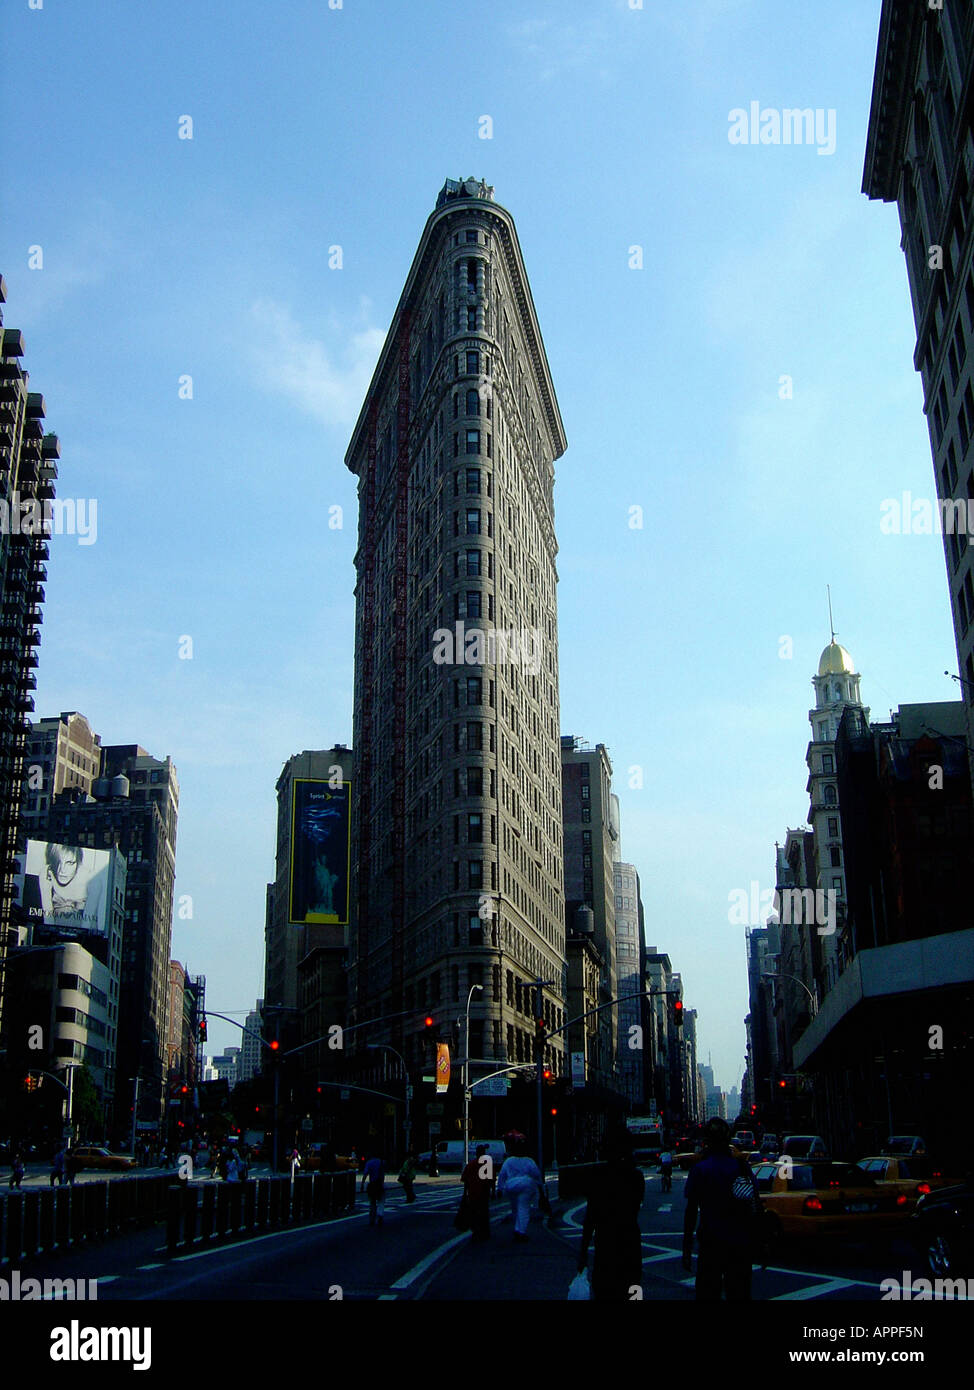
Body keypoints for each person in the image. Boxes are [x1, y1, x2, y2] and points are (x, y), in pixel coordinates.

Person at [682, 1116, 762, 1301]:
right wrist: (760, 1242)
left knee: (708, 1294)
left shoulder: (700, 1170)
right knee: (740, 1294)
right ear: (728, 1140)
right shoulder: (742, 1168)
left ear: (707, 1141)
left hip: (711, 1246)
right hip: (740, 1245)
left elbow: (691, 1211)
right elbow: (755, 1204)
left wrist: (687, 1248)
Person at [577, 1127, 645, 1300]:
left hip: (605, 1247)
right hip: (630, 1246)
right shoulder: (636, 1177)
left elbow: (590, 1218)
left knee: (604, 1292)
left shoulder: (598, 1176)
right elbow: (635, 1207)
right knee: (633, 1292)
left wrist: (583, 1252)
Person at [496, 1138, 543, 1241]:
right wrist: (541, 1188)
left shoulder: (509, 1161)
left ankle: (517, 1227)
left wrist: (499, 1188)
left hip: (511, 1186)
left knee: (515, 1208)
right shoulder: (529, 1161)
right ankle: (520, 1231)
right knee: (524, 1207)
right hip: (526, 1185)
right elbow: (537, 1175)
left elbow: (502, 1175)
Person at [461, 1144, 494, 1242]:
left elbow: (465, 1180)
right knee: (484, 1213)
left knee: (474, 1213)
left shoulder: (471, 1164)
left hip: (473, 1193)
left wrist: (464, 1193)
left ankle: (476, 1232)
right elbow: (491, 1180)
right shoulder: (486, 1164)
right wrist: (493, 1191)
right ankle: (484, 1232)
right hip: (483, 1193)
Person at [361, 1151, 386, 1226]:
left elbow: (365, 1174)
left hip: (372, 1185)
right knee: (381, 1201)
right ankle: (380, 1214)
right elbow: (383, 1174)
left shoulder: (369, 1163)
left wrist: (362, 1184)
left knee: (372, 1202)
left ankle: (372, 1218)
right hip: (380, 1184)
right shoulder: (382, 1162)